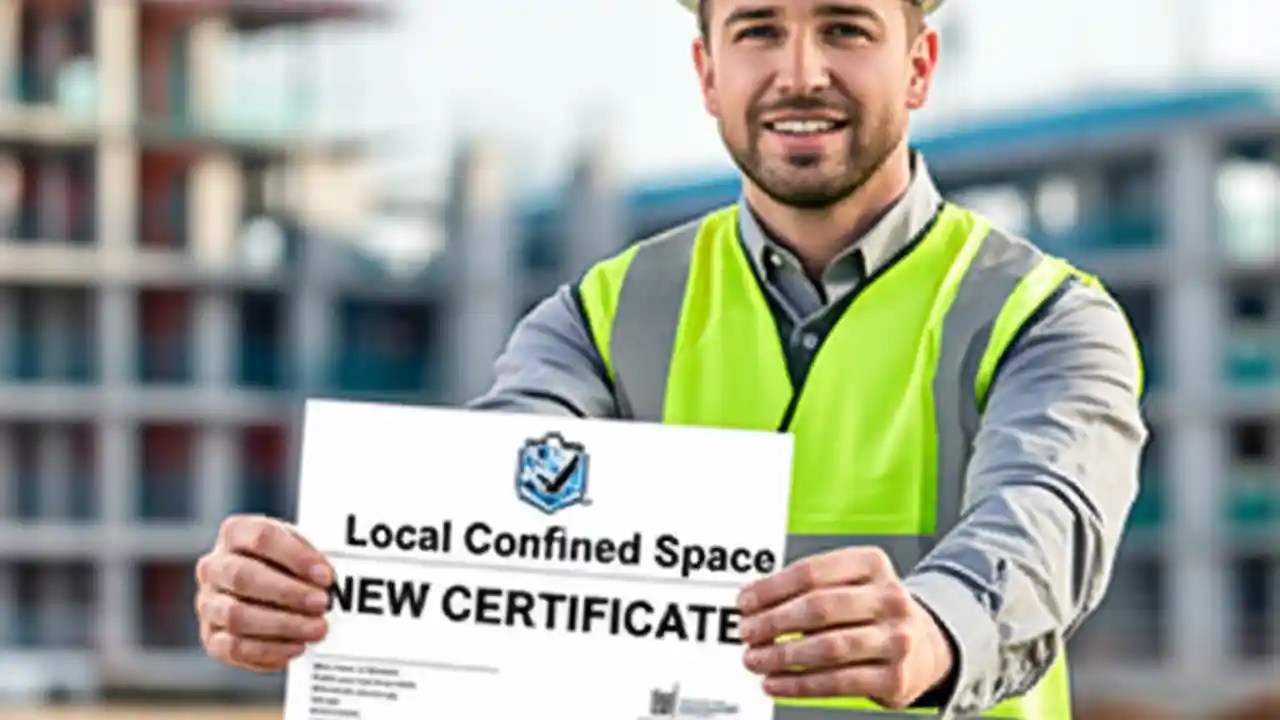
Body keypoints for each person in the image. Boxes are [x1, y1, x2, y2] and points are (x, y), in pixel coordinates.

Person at [193, 0, 1148, 717]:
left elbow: (1040, 535)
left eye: (848, 29)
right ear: (706, 72)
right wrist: (315, 585)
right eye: (759, 30)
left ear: (919, 66)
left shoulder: (1048, 320)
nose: (800, 71)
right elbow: (483, 521)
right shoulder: (602, 317)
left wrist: (937, 630)